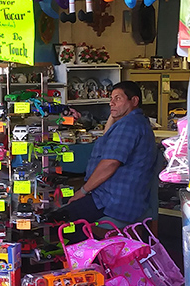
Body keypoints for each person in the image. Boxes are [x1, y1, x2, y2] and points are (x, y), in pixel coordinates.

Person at [48, 80, 158, 227]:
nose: (111, 103)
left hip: (113, 201)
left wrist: (83, 191)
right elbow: (106, 139)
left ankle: (83, 248)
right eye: (111, 99)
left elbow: (110, 164)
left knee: (61, 220)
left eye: (118, 99)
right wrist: (113, 115)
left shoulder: (129, 126)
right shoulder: (134, 122)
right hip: (115, 196)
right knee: (65, 209)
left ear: (134, 101)